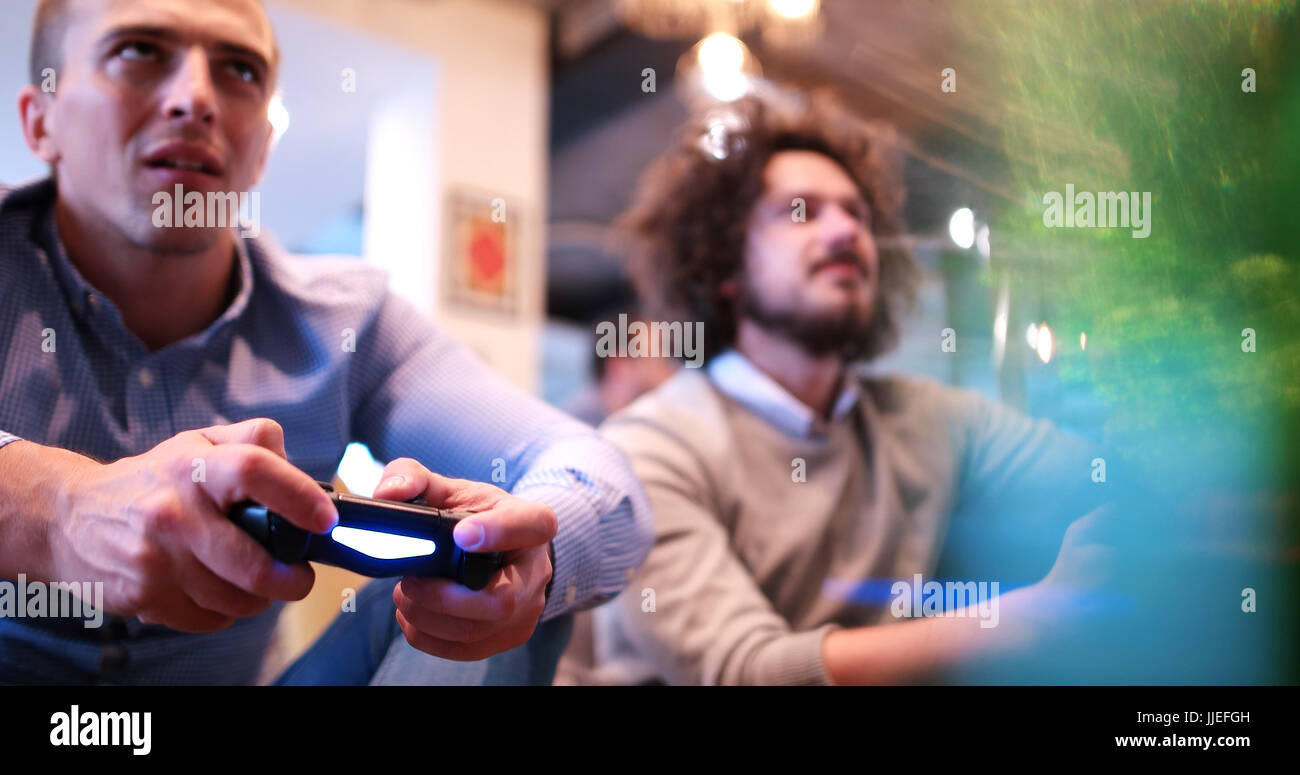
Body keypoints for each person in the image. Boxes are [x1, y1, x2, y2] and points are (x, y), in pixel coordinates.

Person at [0, 0, 652, 685]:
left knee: (501, 577)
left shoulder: (349, 323)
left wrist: (531, 560)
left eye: (239, 70)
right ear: (40, 121)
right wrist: (57, 509)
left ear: (263, 145)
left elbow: (600, 478)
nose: (195, 98)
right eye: (138, 50)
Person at [555, 91, 1113, 685]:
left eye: (858, 214)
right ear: (723, 271)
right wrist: (1036, 617)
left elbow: (1110, 477)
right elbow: (747, 673)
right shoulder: (650, 449)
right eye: (801, 211)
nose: (846, 230)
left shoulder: (931, 418)